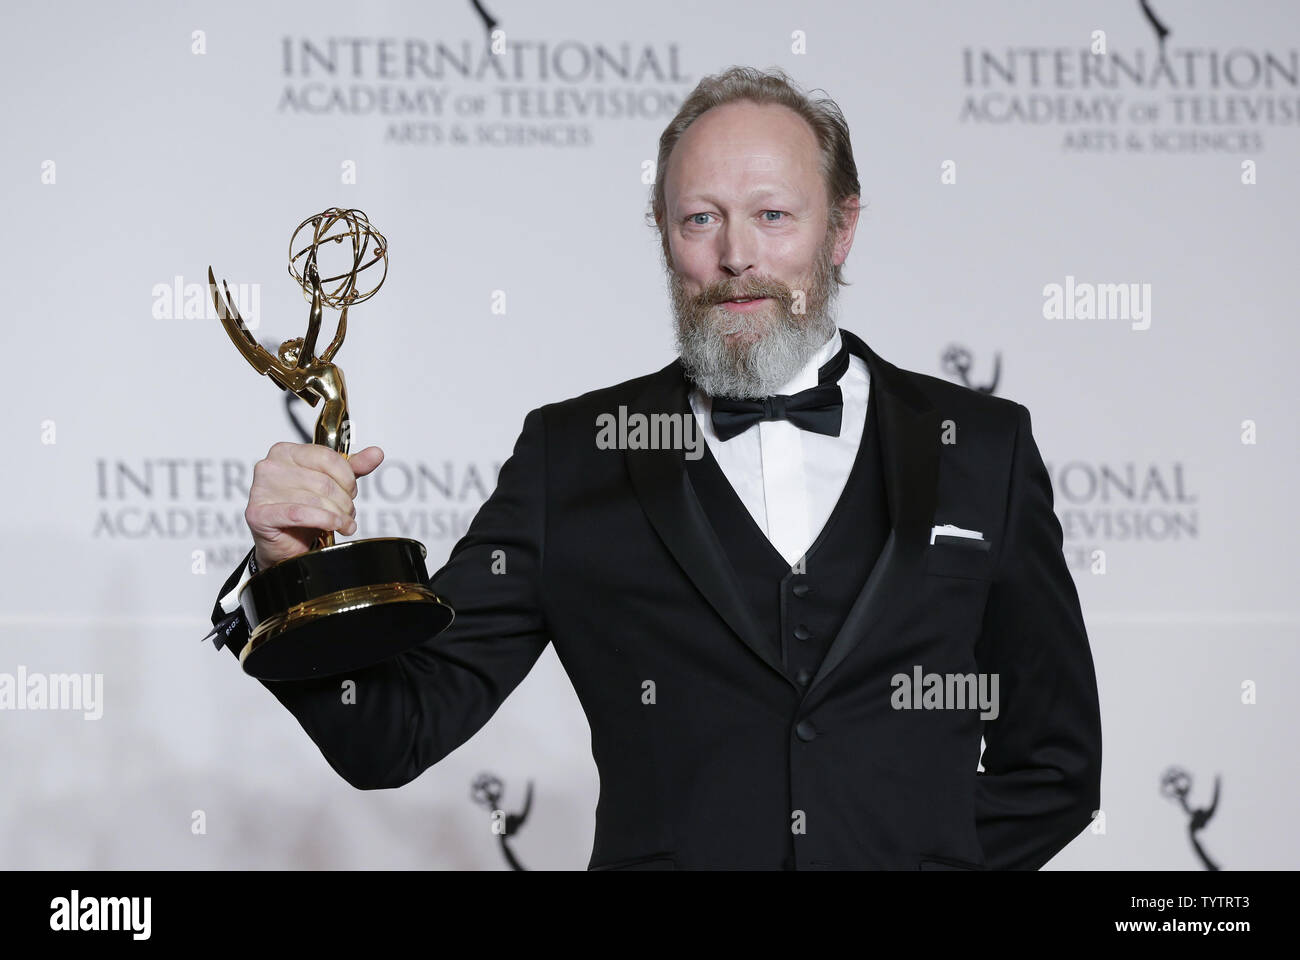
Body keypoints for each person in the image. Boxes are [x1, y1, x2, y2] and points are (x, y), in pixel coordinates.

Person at [206, 65, 1102, 871]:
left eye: (773, 215)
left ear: (842, 228)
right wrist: (291, 578)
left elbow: (1057, 765)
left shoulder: (982, 445)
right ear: (665, 236)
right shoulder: (573, 457)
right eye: (700, 219)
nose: (736, 255)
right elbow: (390, 735)